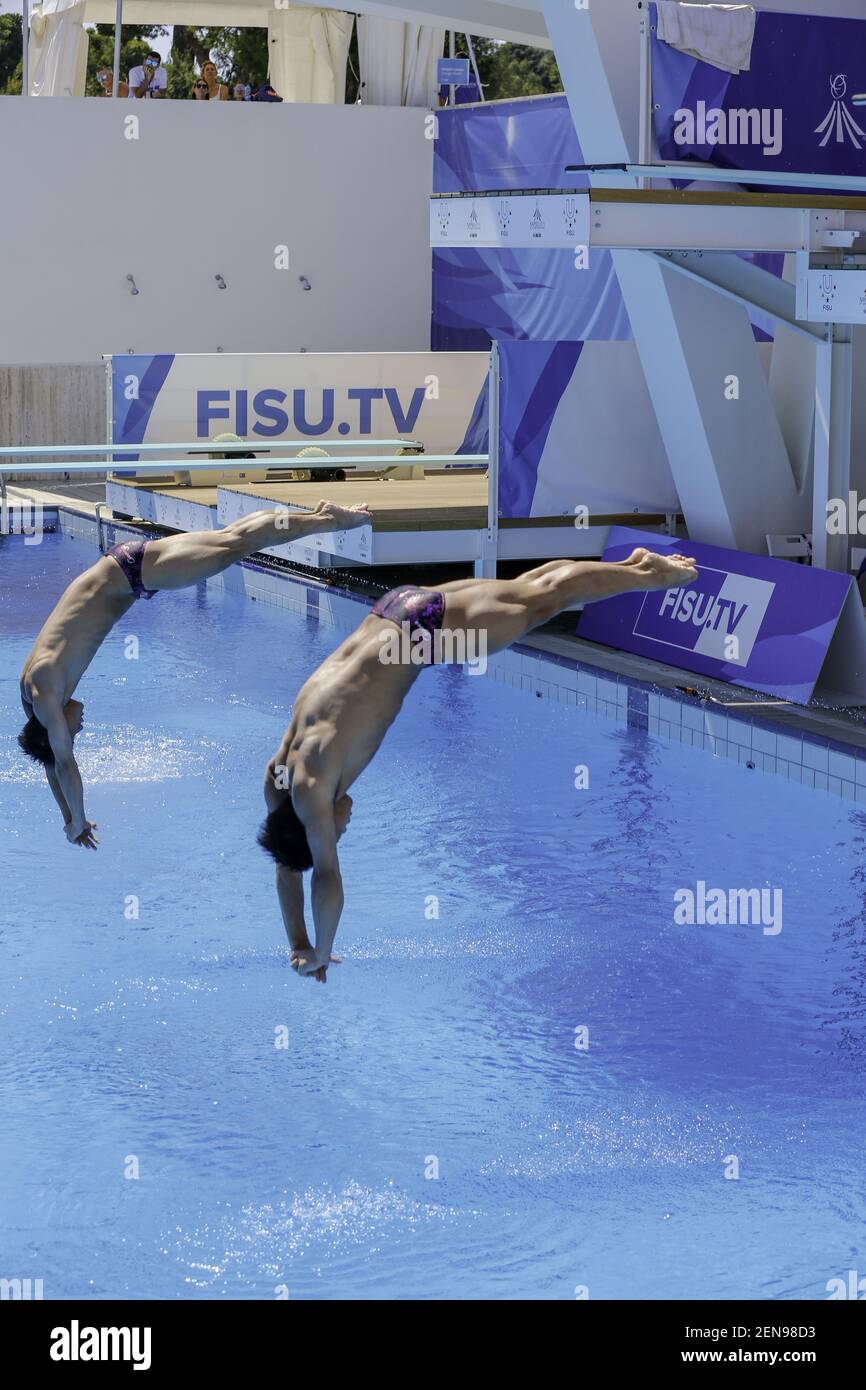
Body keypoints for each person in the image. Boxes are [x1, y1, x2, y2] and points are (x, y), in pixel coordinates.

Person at [259, 547, 699, 983]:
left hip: (423, 633)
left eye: (338, 833)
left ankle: (651, 577)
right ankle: (634, 566)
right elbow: (287, 868)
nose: (344, 826)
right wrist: (298, 942)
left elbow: (325, 879)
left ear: (315, 829)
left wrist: (322, 952)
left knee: (542, 601)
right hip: (394, 610)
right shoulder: (278, 780)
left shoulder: (313, 794)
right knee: (530, 591)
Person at [19, 500, 371, 849]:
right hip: (127, 573)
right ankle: (321, 515)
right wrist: (68, 818)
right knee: (231, 540)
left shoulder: (47, 685)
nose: (80, 727)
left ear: (54, 725)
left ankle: (328, 519)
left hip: (131, 571)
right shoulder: (35, 698)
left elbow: (64, 762)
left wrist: (78, 819)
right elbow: (55, 763)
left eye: (73, 730)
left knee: (235, 545)